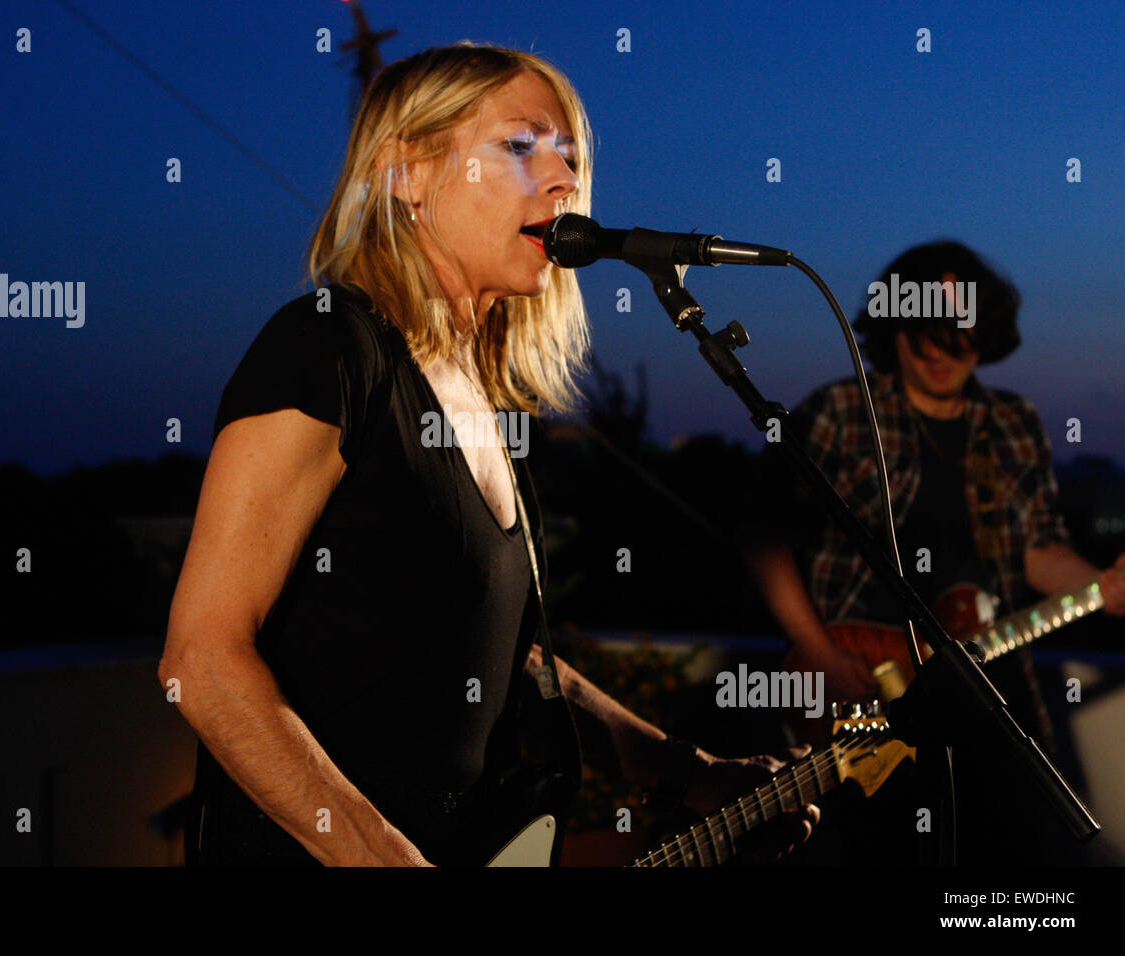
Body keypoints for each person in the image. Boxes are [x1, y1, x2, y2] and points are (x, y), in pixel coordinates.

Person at [158, 43, 819, 867]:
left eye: (570, 155)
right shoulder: (326, 347)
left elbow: (502, 656)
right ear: (406, 174)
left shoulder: (481, 391)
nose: (563, 179)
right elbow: (201, 658)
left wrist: (688, 772)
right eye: (520, 145)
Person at [744, 240, 1125, 864]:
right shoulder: (841, 412)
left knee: (1017, 875)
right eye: (927, 336)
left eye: (963, 338)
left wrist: (1103, 587)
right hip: (864, 695)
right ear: (894, 327)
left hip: (996, 699)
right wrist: (815, 649)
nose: (945, 355)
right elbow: (764, 536)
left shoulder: (1012, 420)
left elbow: (1038, 550)